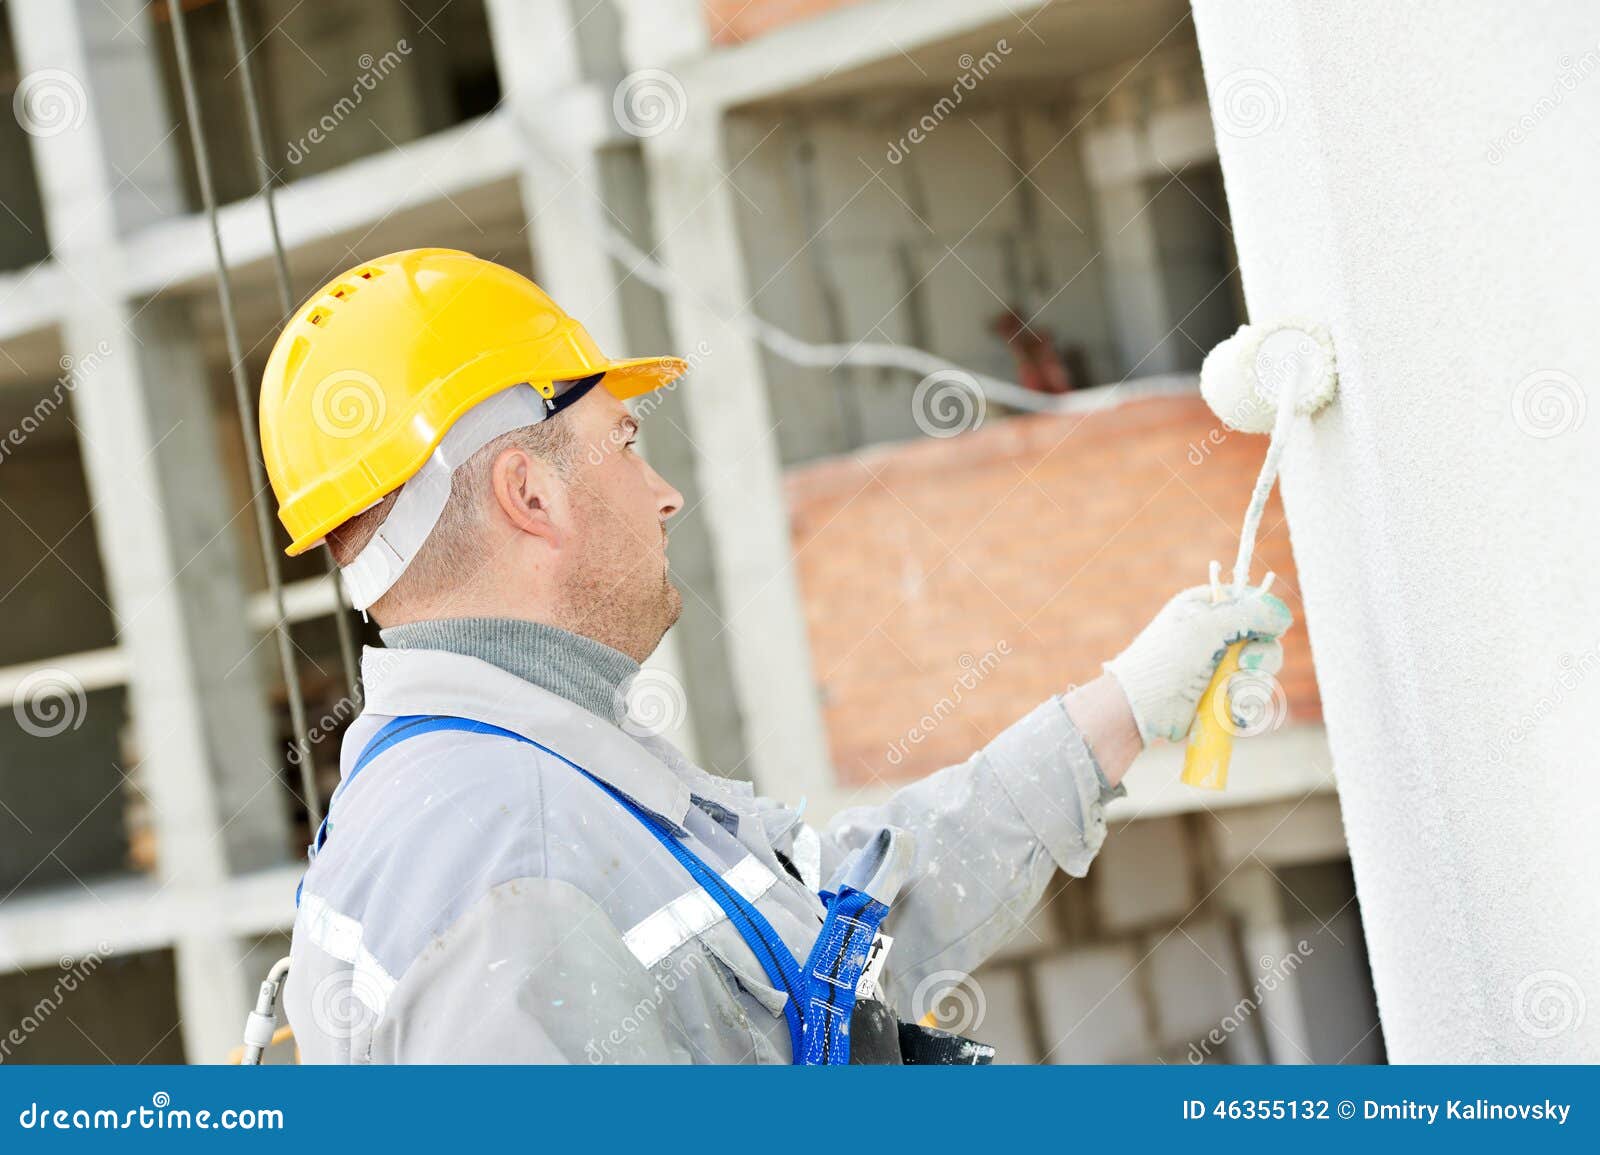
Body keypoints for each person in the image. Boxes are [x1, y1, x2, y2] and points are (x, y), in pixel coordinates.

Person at [260, 249, 1292, 1064]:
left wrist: (1122, 708)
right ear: (530, 495)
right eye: (627, 442)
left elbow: (821, 954)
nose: (665, 493)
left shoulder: (534, 778)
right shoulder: (513, 864)